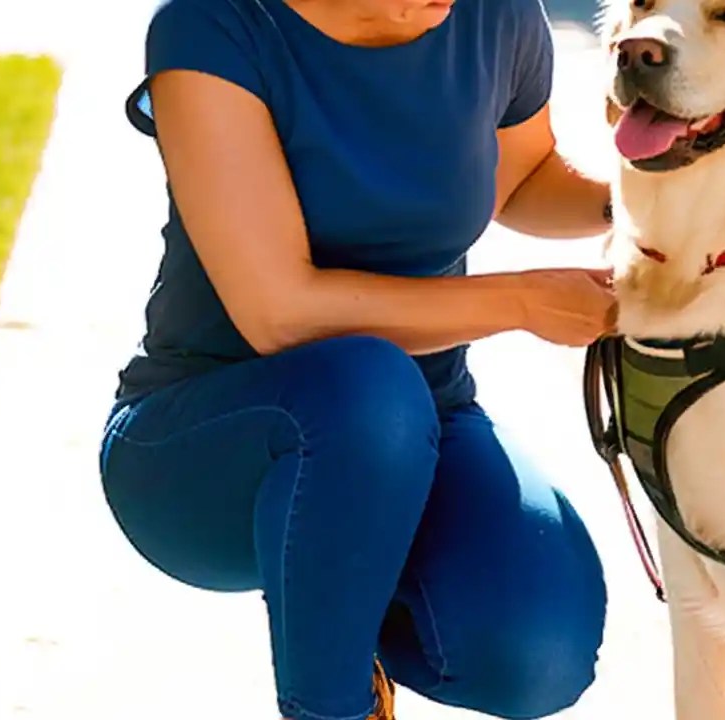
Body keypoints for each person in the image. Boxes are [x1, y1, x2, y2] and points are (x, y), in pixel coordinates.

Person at [97, 0, 618, 718]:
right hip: (213, 440)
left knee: (538, 656)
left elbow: (523, 176)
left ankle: (340, 600)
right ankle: (334, 702)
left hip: (422, 417)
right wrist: (525, 302)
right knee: (368, 387)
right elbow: (282, 312)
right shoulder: (214, 25)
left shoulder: (495, 15)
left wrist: (652, 199)